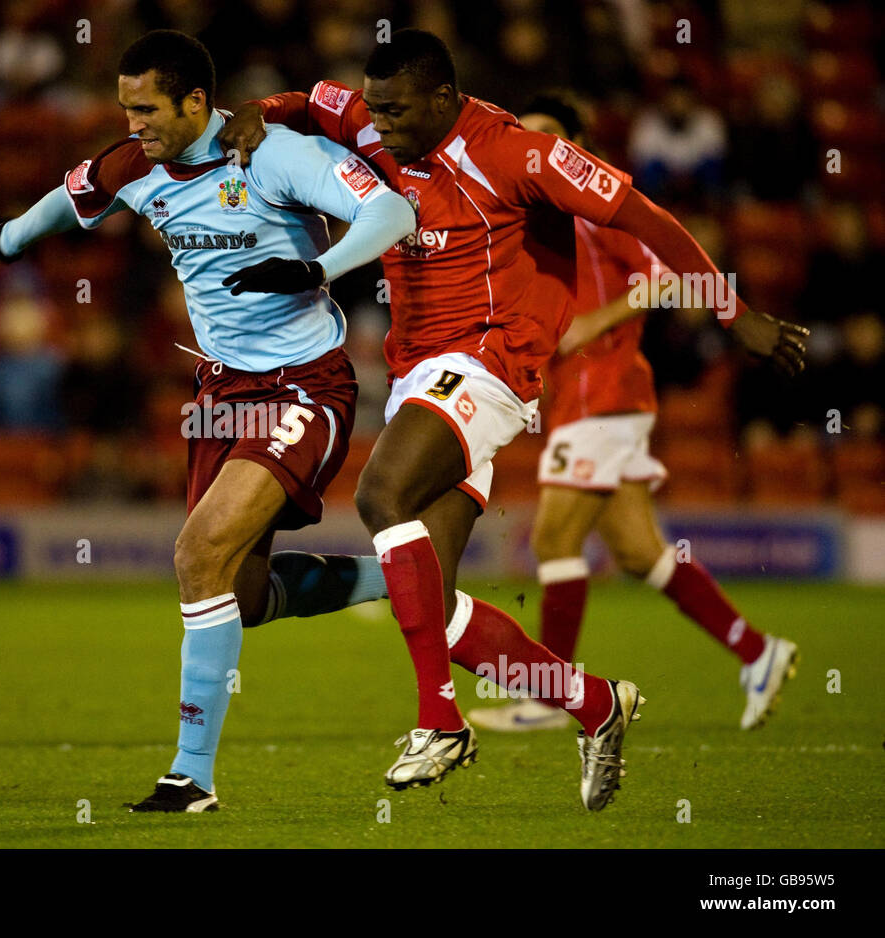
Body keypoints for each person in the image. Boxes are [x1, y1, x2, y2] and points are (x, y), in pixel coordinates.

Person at [219, 29, 807, 808]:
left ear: (443, 99)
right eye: (375, 109)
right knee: (430, 600)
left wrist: (738, 315)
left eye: (396, 113)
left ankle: (440, 722)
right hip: (416, 373)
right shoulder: (367, 116)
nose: (379, 127)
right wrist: (258, 114)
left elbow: (645, 216)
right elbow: (305, 101)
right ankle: (596, 704)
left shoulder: (515, 152)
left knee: (379, 497)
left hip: (491, 365)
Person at [0, 30, 414, 812]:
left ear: (195, 102)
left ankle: (191, 776)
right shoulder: (136, 163)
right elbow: (72, 195)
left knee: (196, 555)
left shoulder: (275, 154)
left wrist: (318, 269)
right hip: (219, 398)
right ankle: (398, 578)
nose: (132, 123)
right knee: (241, 595)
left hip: (303, 389)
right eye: (123, 108)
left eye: (145, 108)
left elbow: (392, 208)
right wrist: (11, 237)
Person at [467, 92, 798, 733]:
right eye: (523, 136)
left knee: (555, 539)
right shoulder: (532, 220)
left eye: (547, 136)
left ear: (575, 145)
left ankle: (548, 698)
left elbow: (667, 275)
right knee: (640, 550)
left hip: (606, 391)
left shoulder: (595, 215)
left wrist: (588, 326)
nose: (532, 149)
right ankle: (758, 653)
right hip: (582, 399)